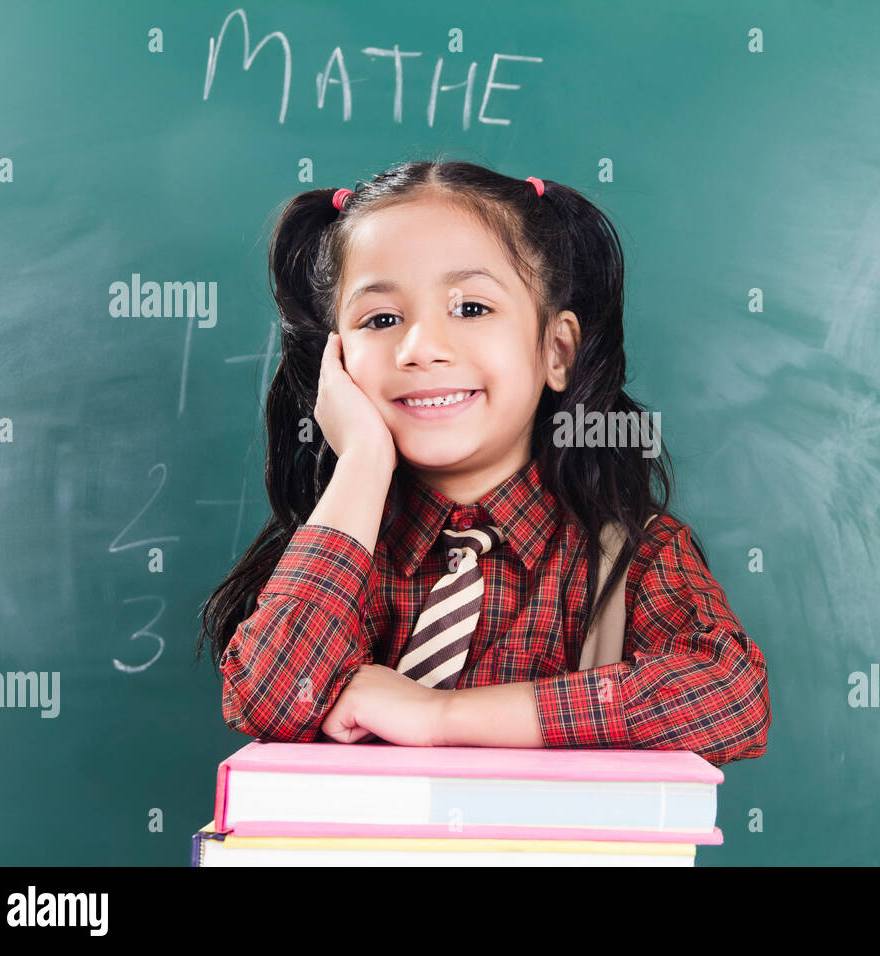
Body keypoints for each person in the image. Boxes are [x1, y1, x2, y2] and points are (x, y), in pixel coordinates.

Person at [195, 159, 770, 766]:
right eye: (381, 319)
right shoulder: (343, 559)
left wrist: (438, 717)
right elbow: (270, 697)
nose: (421, 349)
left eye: (471, 308)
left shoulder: (632, 556)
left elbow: (730, 698)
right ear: (335, 364)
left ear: (556, 350)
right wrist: (362, 460)